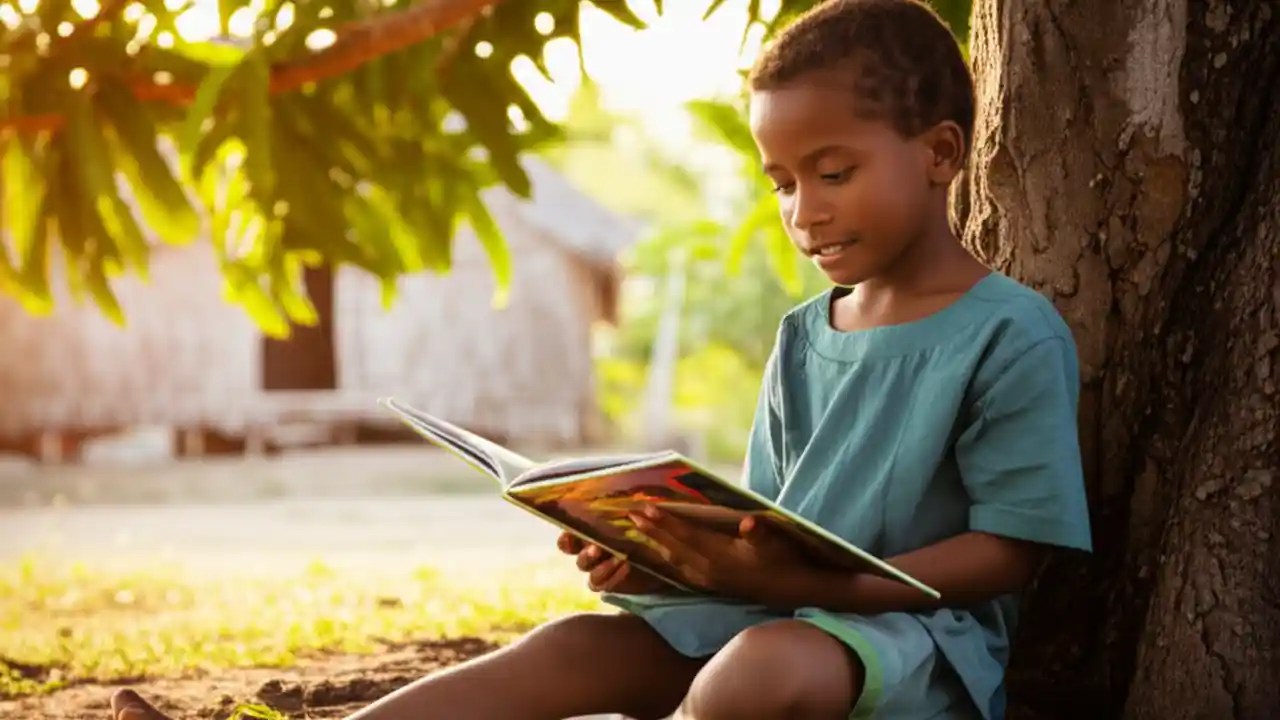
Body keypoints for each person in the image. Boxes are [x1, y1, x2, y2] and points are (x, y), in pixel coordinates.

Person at [110, 1, 1092, 718]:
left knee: (759, 670)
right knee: (572, 651)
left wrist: (832, 593)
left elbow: (1009, 551)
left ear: (938, 152)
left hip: (904, 649)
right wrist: (653, 552)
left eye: (832, 173)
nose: (805, 210)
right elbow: (765, 530)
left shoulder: (1004, 333)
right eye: (782, 183)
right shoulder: (805, 334)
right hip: (774, 610)